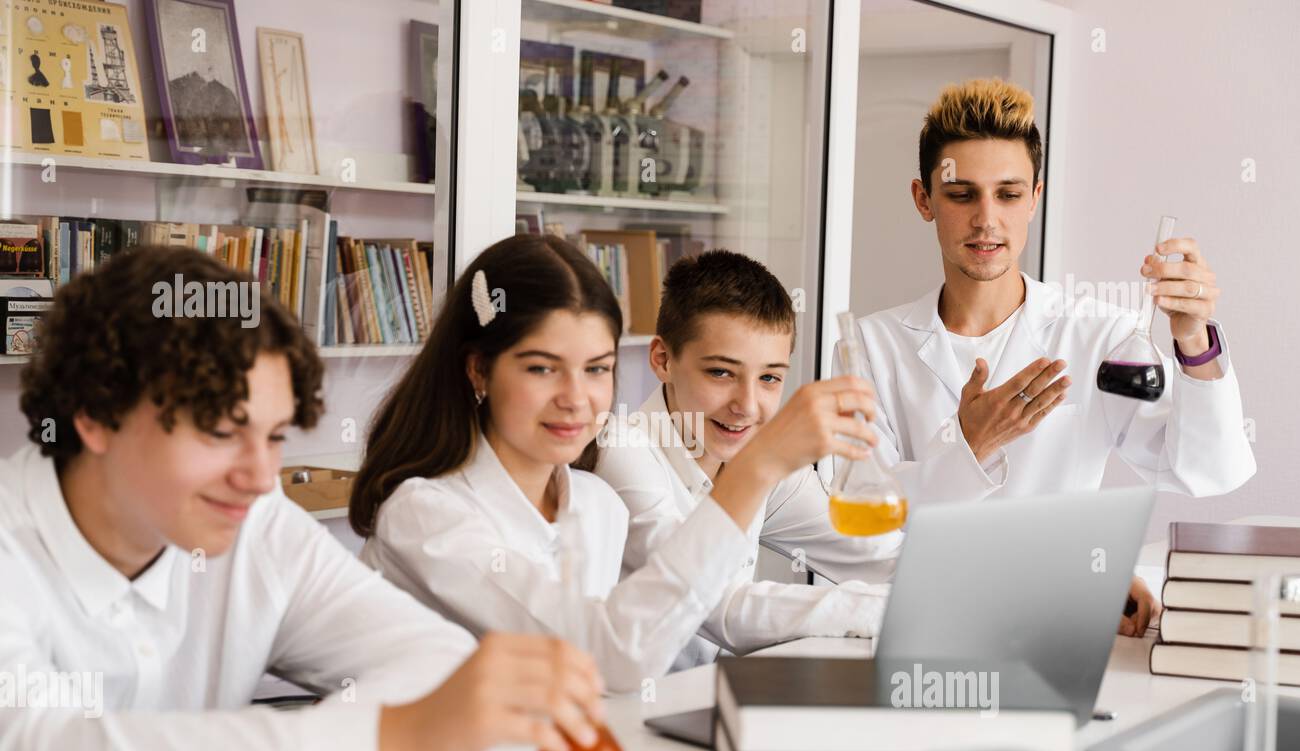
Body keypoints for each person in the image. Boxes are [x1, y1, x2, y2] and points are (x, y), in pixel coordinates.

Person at [0, 246, 605, 751]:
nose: (262, 477)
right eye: (219, 433)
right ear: (96, 417)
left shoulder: (256, 523)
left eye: (275, 436)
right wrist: (383, 744)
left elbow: (431, 656)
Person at [352, 235, 877, 690]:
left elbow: (612, 678)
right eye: (542, 368)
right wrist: (759, 466)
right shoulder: (425, 516)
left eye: (597, 369)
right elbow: (610, 656)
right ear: (478, 371)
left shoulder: (594, 505)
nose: (576, 399)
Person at [850, 77, 1255, 636]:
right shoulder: (871, 347)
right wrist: (967, 446)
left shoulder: (1098, 337)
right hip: (915, 632)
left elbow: (1206, 470)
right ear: (925, 199)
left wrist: (1194, 339)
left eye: (1009, 194)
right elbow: (860, 519)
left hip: (1054, 633)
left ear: (1035, 198)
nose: (986, 219)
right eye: (961, 193)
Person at [595, 250, 896, 669]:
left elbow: (879, 555)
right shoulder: (621, 451)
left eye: (770, 378)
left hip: (704, 707)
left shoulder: (756, 456)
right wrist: (879, 611)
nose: (747, 406)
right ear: (663, 360)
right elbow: (719, 607)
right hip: (629, 718)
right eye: (721, 373)